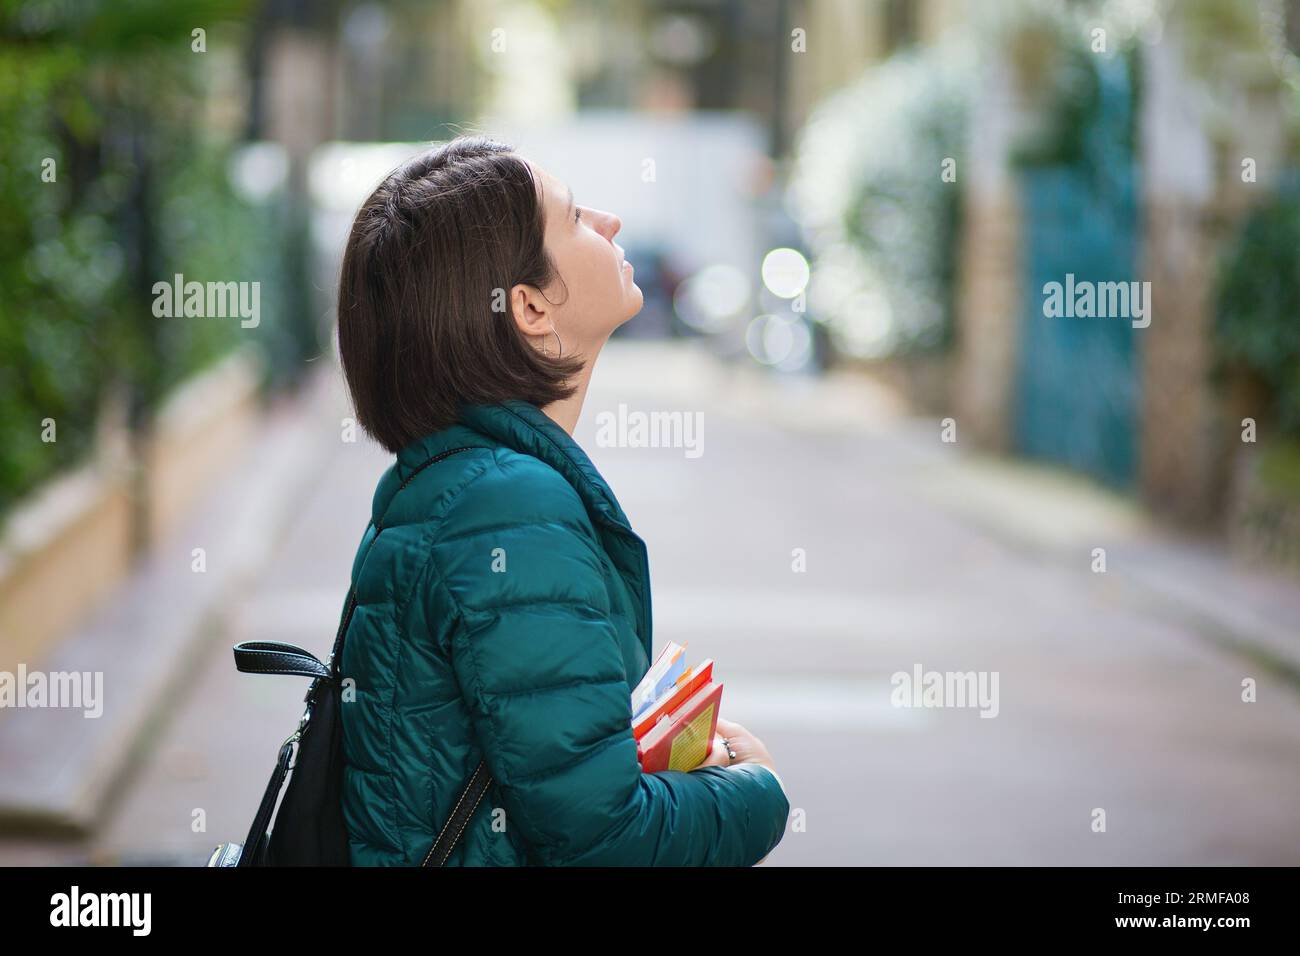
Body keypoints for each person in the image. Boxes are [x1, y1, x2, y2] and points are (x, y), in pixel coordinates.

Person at [333, 134, 789, 866]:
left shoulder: (448, 485)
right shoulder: (507, 509)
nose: (608, 220)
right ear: (530, 307)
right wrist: (754, 788)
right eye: (575, 216)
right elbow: (603, 840)